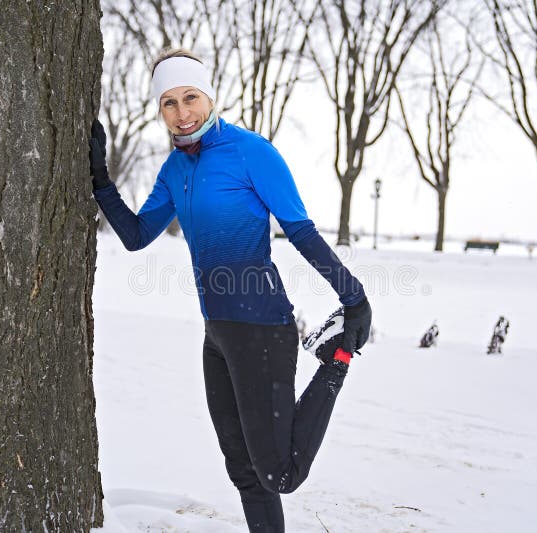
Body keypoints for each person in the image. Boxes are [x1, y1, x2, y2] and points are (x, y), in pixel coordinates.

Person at [89, 48, 372, 533]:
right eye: (169, 103)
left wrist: (355, 298)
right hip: (216, 336)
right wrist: (99, 179)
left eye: (191, 97)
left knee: (278, 473)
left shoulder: (250, 152)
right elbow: (136, 237)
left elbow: (300, 231)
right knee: (244, 473)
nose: (183, 113)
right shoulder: (174, 172)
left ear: (210, 96)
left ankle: (336, 362)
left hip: (263, 328)